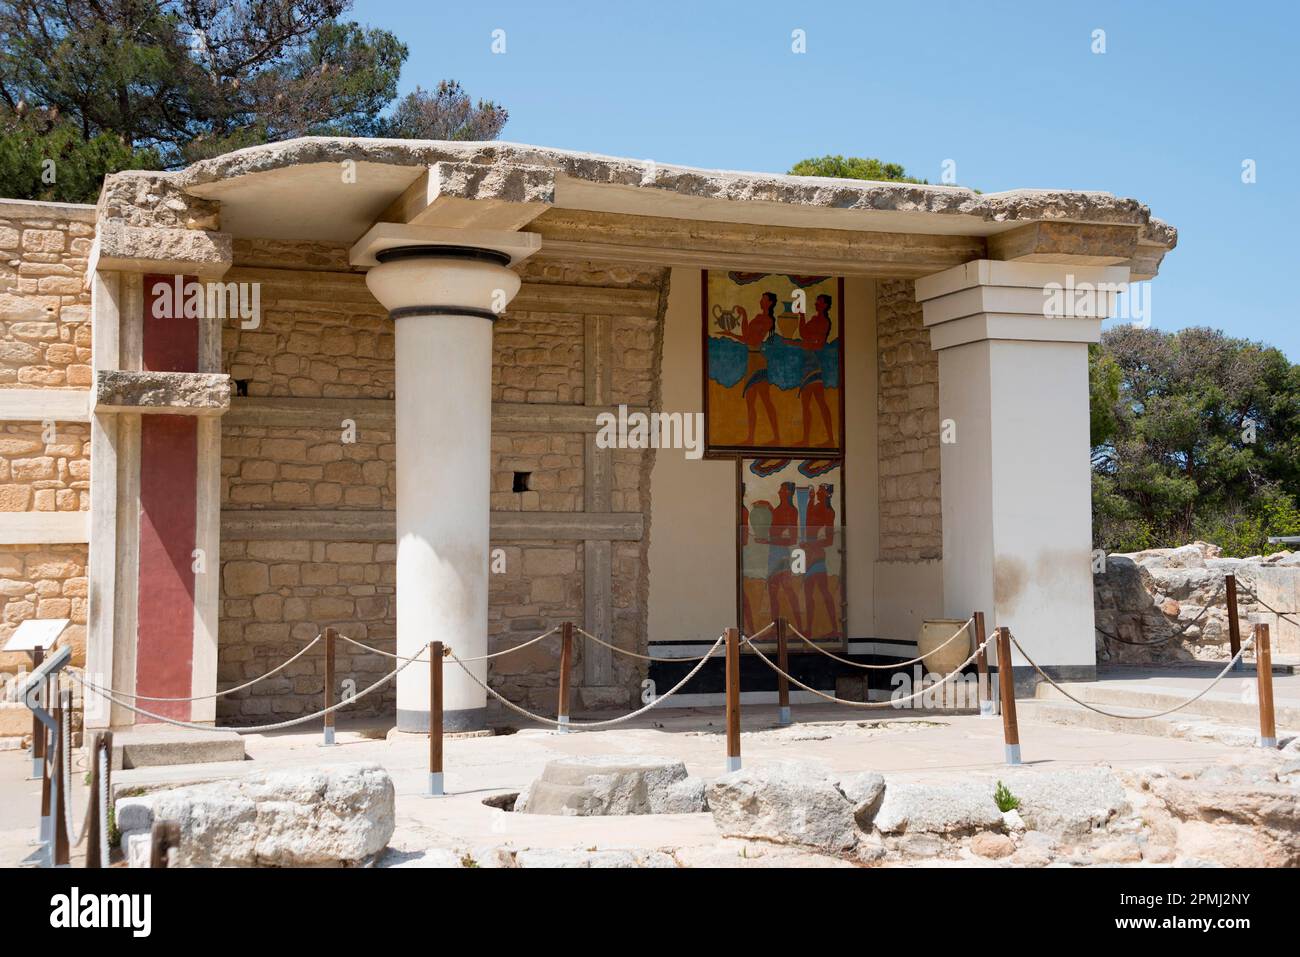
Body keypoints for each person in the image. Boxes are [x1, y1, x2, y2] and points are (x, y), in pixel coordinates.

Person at [717, 291, 782, 446]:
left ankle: (777, 437)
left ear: (770, 303)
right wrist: (745, 316)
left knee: (766, 401)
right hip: (751, 361)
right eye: (761, 298)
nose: (761, 301)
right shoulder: (758, 317)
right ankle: (751, 438)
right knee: (750, 402)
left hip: (758, 362)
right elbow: (746, 334)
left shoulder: (767, 320)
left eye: (764, 299)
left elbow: (751, 339)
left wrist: (731, 334)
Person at [796, 293, 835, 447]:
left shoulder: (824, 321)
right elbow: (804, 334)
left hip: (814, 363)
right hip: (807, 363)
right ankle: (806, 439)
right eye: (816, 301)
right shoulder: (814, 319)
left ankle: (831, 439)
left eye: (819, 302)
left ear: (825, 305)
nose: (816, 304)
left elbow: (819, 344)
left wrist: (806, 343)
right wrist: (802, 315)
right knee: (806, 403)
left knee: (820, 402)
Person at [802, 484, 840, 639]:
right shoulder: (816, 506)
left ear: (827, 494)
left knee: (824, 593)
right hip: (808, 553)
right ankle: (809, 630)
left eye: (820, 490)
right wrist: (810, 500)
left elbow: (829, 540)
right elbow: (807, 522)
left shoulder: (829, 512)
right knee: (808, 593)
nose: (817, 492)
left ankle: (834, 628)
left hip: (816, 554)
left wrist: (811, 544)